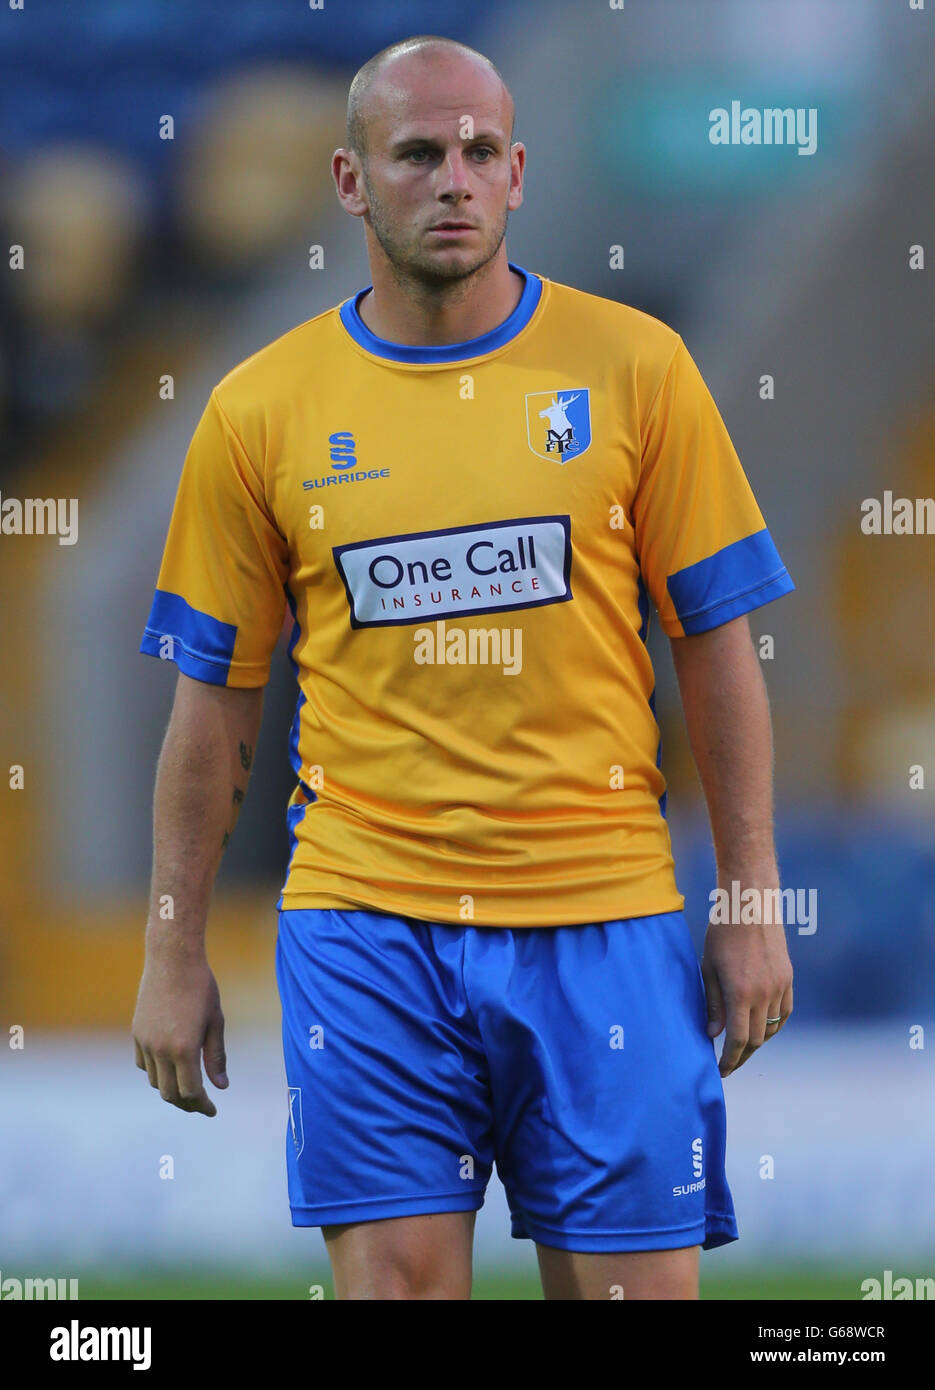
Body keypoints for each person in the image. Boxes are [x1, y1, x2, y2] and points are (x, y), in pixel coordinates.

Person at [133, 34, 795, 1301]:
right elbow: (211, 707)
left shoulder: (636, 368)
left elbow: (717, 647)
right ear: (349, 179)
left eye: (481, 152)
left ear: (518, 172)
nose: (453, 179)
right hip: (366, 921)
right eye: (419, 152)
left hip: (602, 915)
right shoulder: (256, 411)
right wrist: (172, 947)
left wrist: (751, 892)